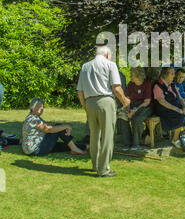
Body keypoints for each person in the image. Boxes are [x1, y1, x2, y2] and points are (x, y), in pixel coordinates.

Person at [77, 46, 130, 177]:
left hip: (90, 102)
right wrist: (125, 101)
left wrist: (85, 107)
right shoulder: (110, 65)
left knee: (94, 136)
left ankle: (95, 165)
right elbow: (116, 88)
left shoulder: (85, 66)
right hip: (105, 101)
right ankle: (103, 169)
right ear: (107, 54)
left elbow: (80, 91)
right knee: (107, 136)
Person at [22, 98, 87, 156]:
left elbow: (47, 126)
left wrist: (61, 128)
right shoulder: (33, 119)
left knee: (64, 145)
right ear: (32, 107)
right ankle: (75, 149)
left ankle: (86, 147)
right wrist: (66, 126)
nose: (42, 108)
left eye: (42, 106)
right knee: (58, 127)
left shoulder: (34, 117)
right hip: (36, 149)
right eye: (39, 106)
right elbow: (47, 129)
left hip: (37, 145)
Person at [153, 66, 185, 149]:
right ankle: (175, 139)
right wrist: (178, 110)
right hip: (164, 109)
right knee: (180, 117)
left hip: (176, 106)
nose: (174, 76)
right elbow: (162, 102)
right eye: (172, 74)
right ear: (166, 75)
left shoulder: (172, 84)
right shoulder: (158, 85)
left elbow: (180, 98)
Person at [117, 67, 152, 150]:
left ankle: (136, 144)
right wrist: (128, 110)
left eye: (132, 75)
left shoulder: (146, 84)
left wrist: (135, 110)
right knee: (122, 116)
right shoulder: (130, 84)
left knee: (136, 119)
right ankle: (127, 144)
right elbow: (127, 98)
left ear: (138, 76)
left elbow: (147, 102)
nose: (130, 76)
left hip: (144, 107)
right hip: (132, 105)